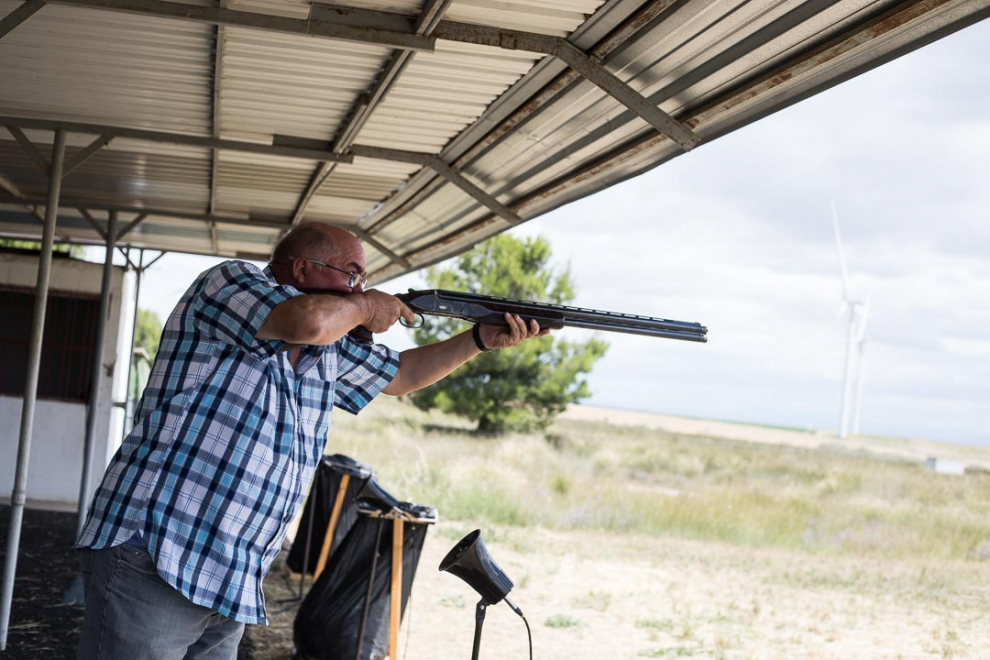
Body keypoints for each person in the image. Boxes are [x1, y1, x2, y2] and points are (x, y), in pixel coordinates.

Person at [75, 223, 547, 659]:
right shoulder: (229, 282)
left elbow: (402, 375)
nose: (360, 288)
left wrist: (478, 340)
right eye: (353, 275)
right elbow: (308, 322)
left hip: (233, 572)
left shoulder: (330, 342)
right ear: (303, 268)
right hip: (159, 552)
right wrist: (365, 307)